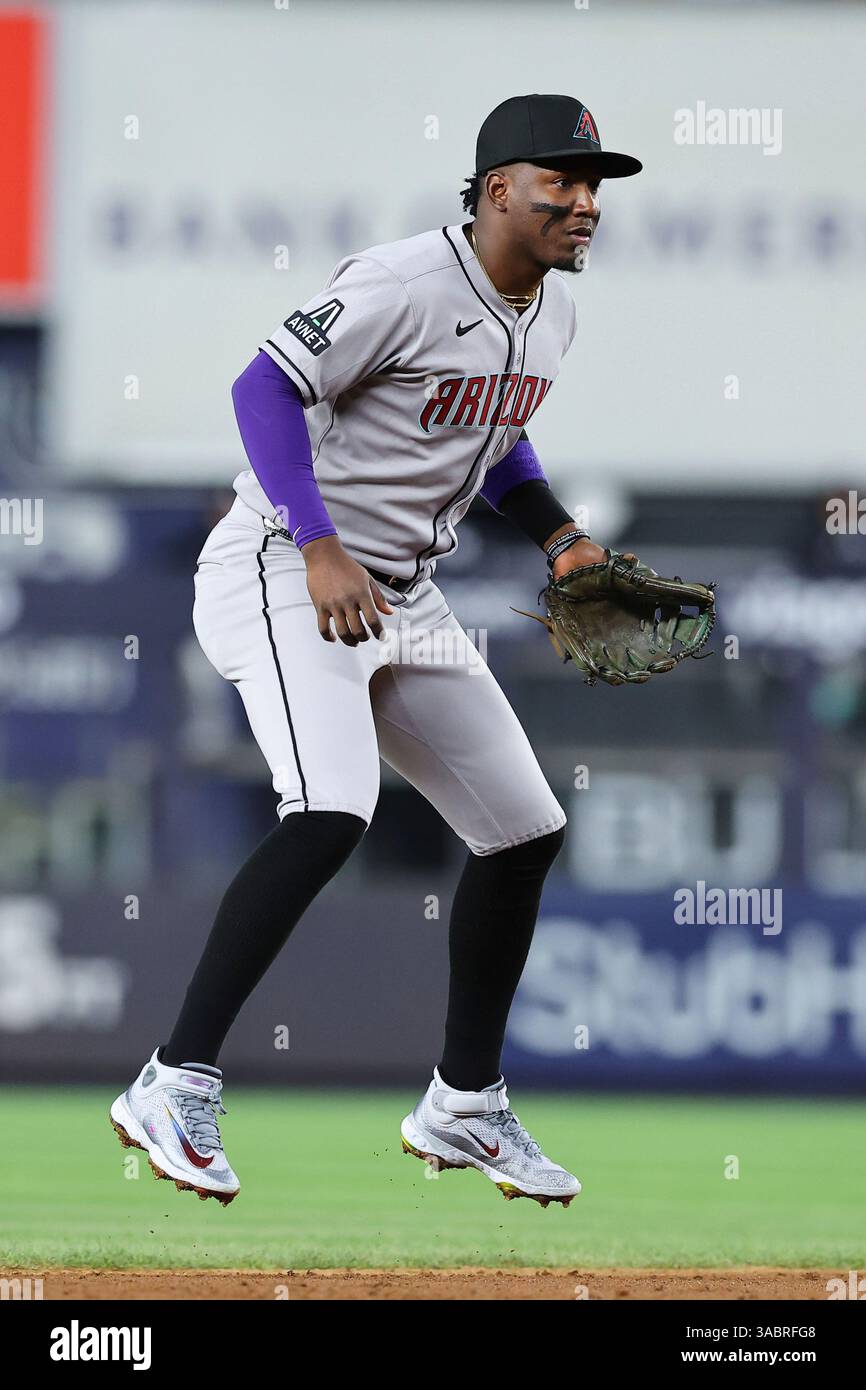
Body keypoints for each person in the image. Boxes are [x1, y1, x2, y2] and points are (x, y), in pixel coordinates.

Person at [110, 94, 642, 1208]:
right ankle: (173, 1081)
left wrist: (558, 534)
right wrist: (314, 542)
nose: (583, 204)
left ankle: (462, 1101)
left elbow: (490, 437)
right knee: (330, 809)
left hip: (406, 591)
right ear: (499, 186)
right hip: (282, 567)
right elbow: (264, 385)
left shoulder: (549, 314)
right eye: (561, 182)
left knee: (523, 831)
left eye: (593, 186)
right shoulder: (401, 281)